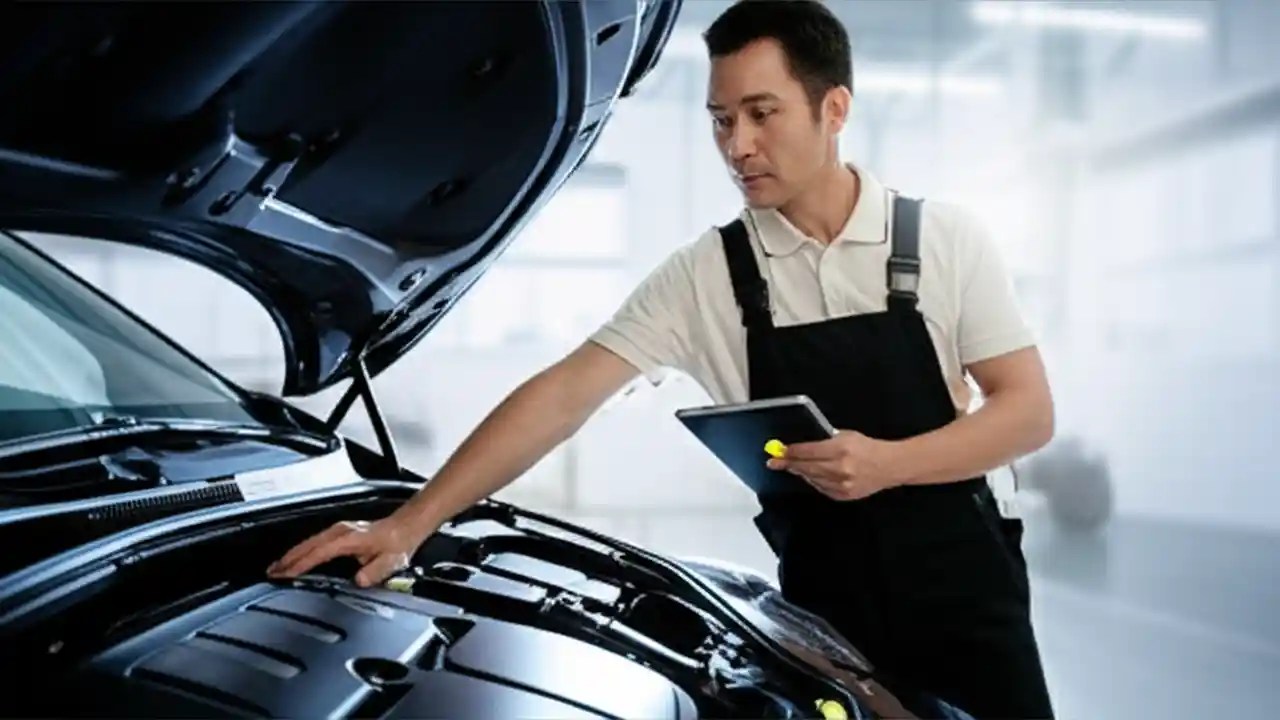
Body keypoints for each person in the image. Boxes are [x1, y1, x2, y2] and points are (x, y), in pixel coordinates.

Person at [268, 1, 1056, 717]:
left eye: (761, 113)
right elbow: (562, 395)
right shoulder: (706, 275)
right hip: (829, 608)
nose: (736, 146)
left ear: (834, 109)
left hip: (967, 590)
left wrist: (886, 464)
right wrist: (409, 524)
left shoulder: (944, 239)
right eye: (719, 120)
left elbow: (1026, 410)